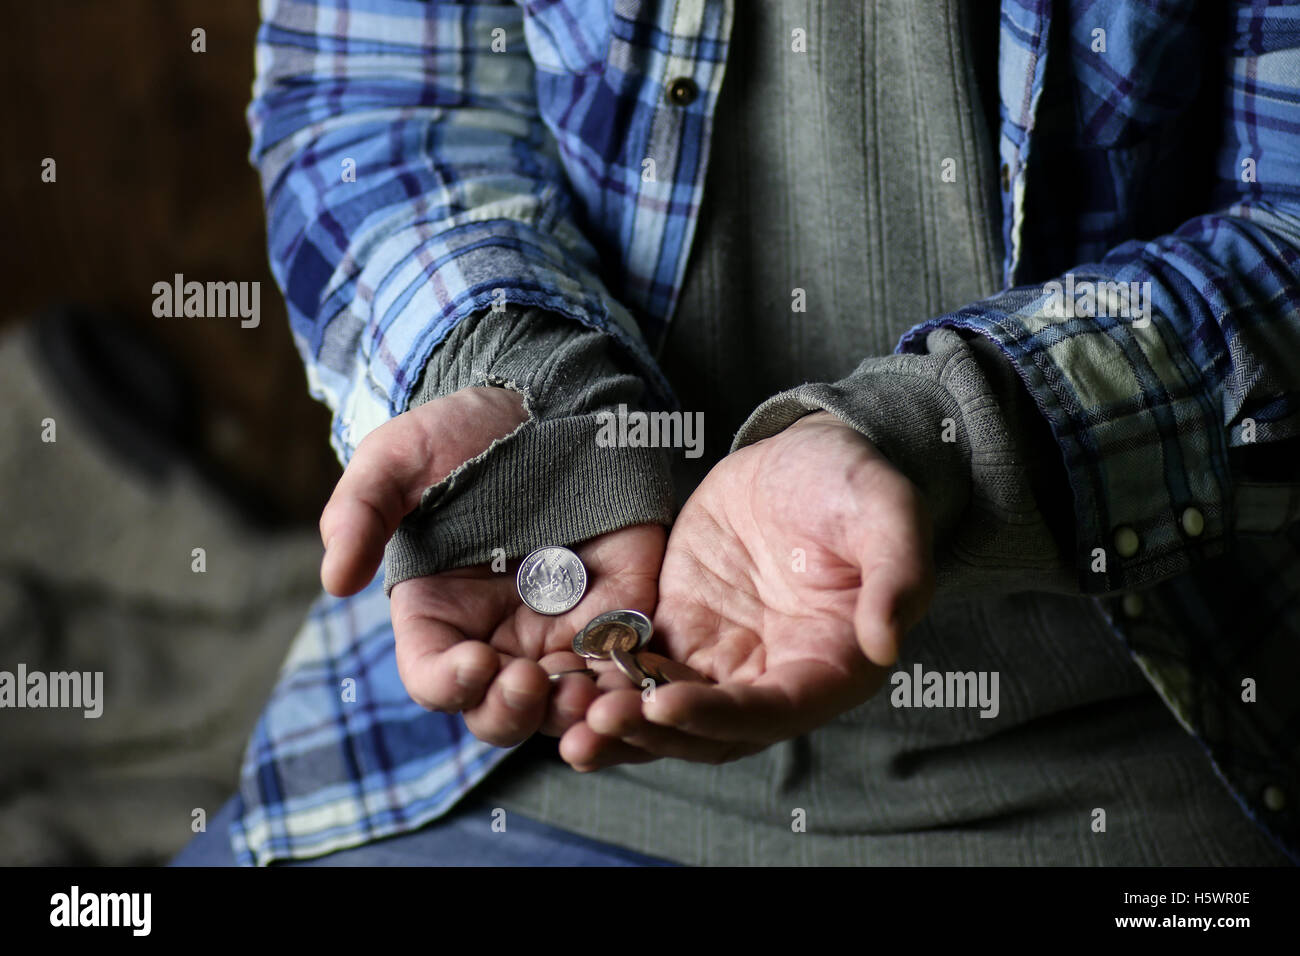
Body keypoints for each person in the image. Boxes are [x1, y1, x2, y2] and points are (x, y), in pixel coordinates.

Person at [173, 0, 1300, 866]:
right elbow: (371, 105)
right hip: (492, 752)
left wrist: (950, 439)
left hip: (1145, 759)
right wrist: (518, 376)